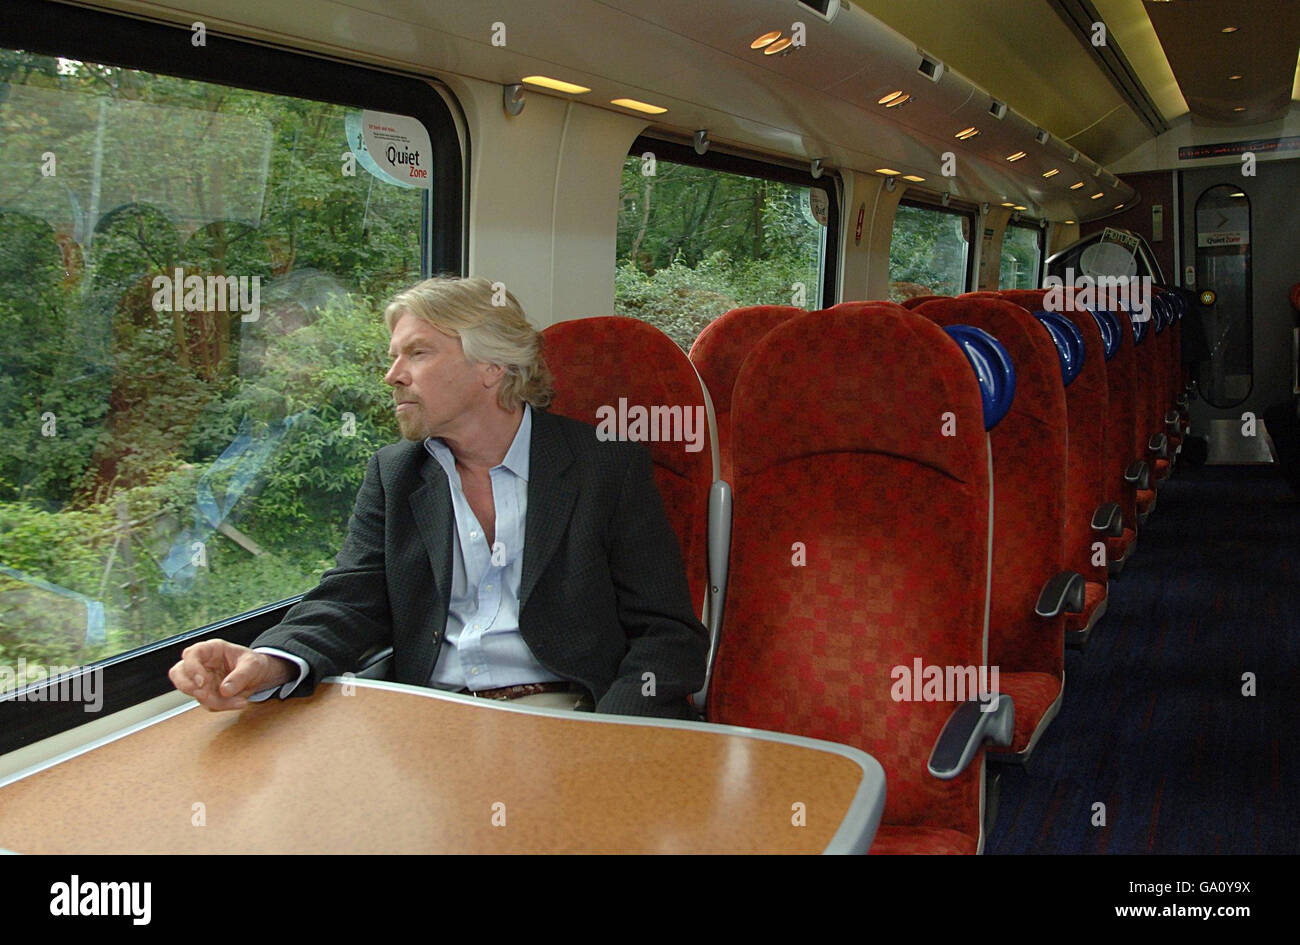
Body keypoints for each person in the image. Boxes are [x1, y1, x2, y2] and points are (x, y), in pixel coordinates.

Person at [168, 276, 708, 719]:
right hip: (429, 716)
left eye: (417, 353)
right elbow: (350, 599)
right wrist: (269, 660)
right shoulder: (396, 473)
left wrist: (607, 734)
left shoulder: (603, 467)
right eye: (394, 356)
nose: (391, 375)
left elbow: (667, 634)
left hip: (572, 710)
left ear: (491, 367)